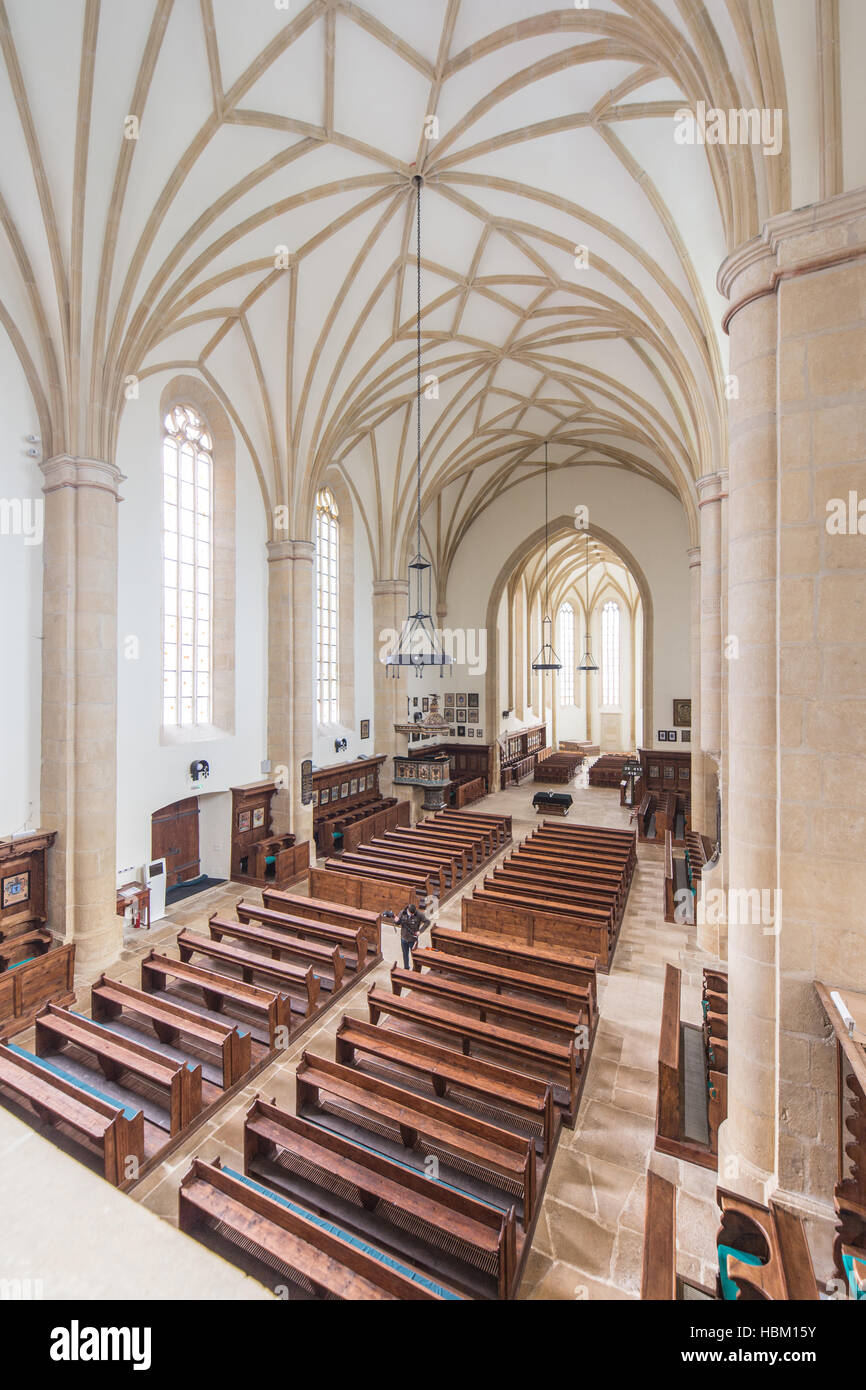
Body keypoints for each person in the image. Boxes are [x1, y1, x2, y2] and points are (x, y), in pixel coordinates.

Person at [395, 902, 429, 970]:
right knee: (405, 955)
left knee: (414, 956)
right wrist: (396, 921)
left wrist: (420, 931)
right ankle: (406, 968)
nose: (412, 914)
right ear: (408, 910)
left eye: (413, 913)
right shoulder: (403, 912)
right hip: (404, 938)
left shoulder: (419, 914)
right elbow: (398, 923)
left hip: (413, 939)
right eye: (411, 913)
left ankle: (415, 969)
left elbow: (427, 922)